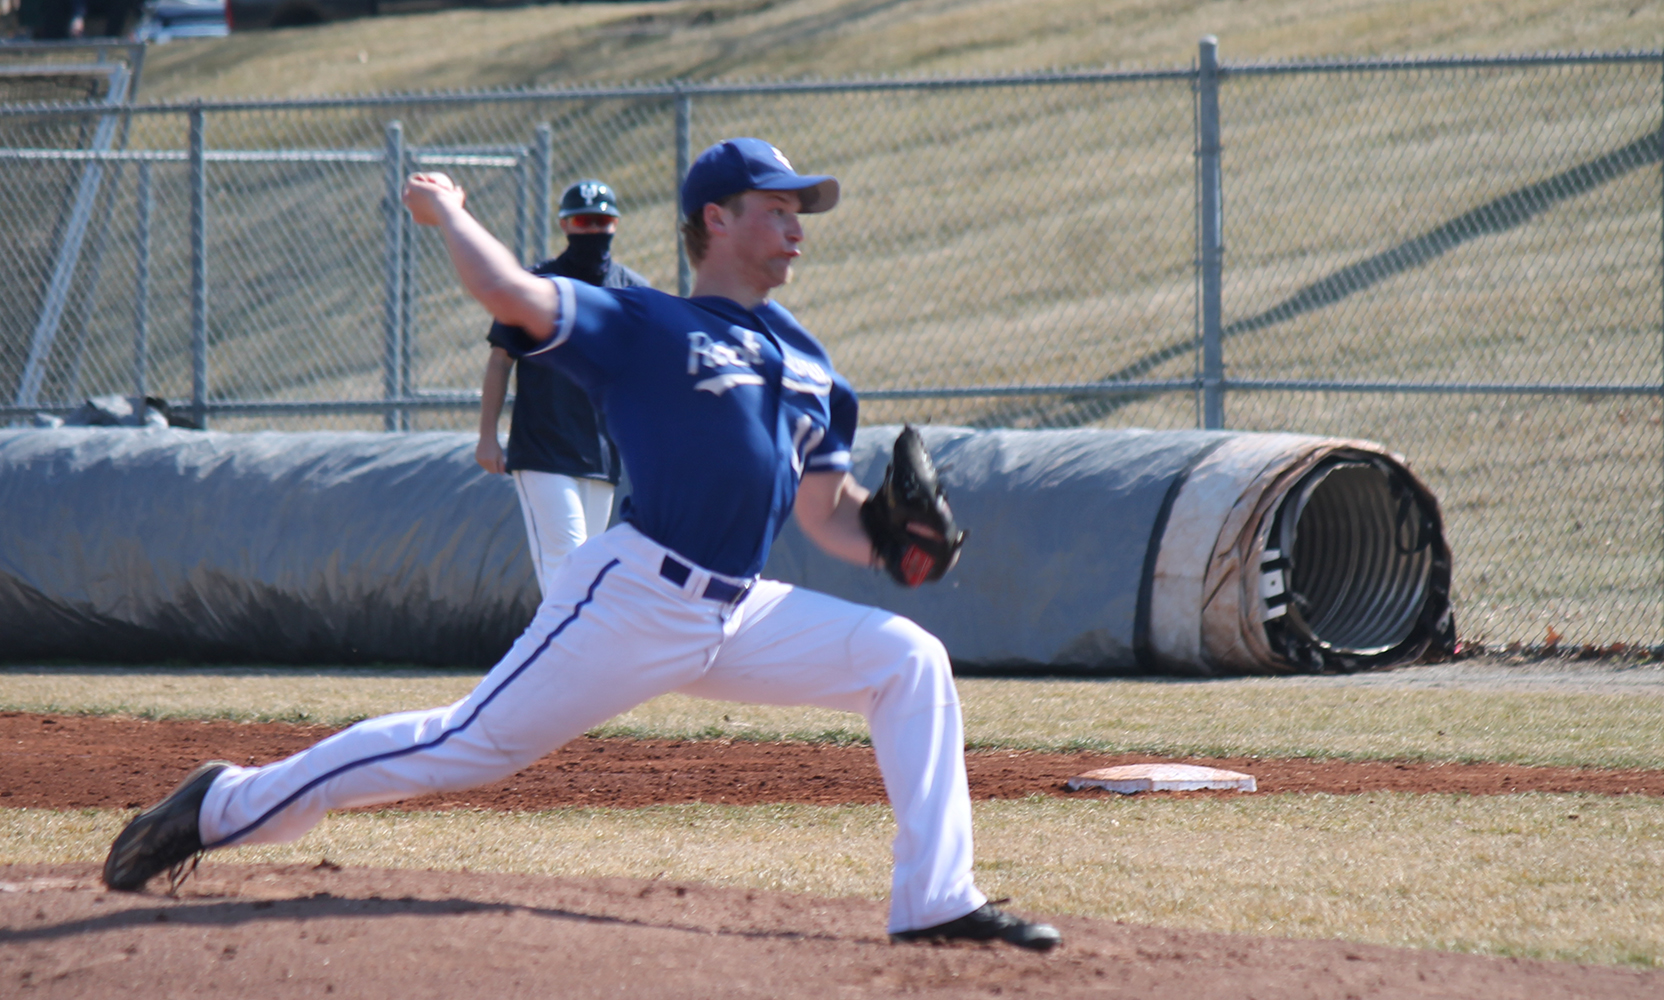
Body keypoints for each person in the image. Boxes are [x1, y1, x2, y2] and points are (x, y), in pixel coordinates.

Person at [102, 138, 1061, 952]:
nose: (798, 226)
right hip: (634, 597)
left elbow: (825, 514)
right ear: (715, 221)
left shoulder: (810, 363)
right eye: (778, 208)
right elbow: (512, 293)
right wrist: (450, 214)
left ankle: (937, 901)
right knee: (465, 745)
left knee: (909, 660)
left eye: (800, 210)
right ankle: (220, 804)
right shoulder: (647, 323)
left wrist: (897, 545)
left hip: (738, 607)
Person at [477, 180, 649, 593]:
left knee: (590, 568)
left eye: (602, 220)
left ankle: (583, 656)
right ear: (564, 225)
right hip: (544, 448)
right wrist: (487, 436)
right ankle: (557, 655)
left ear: (616, 224)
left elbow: (650, 374)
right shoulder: (537, 285)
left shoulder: (632, 291)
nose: (593, 230)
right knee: (566, 565)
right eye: (583, 221)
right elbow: (500, 360)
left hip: (602, 452)